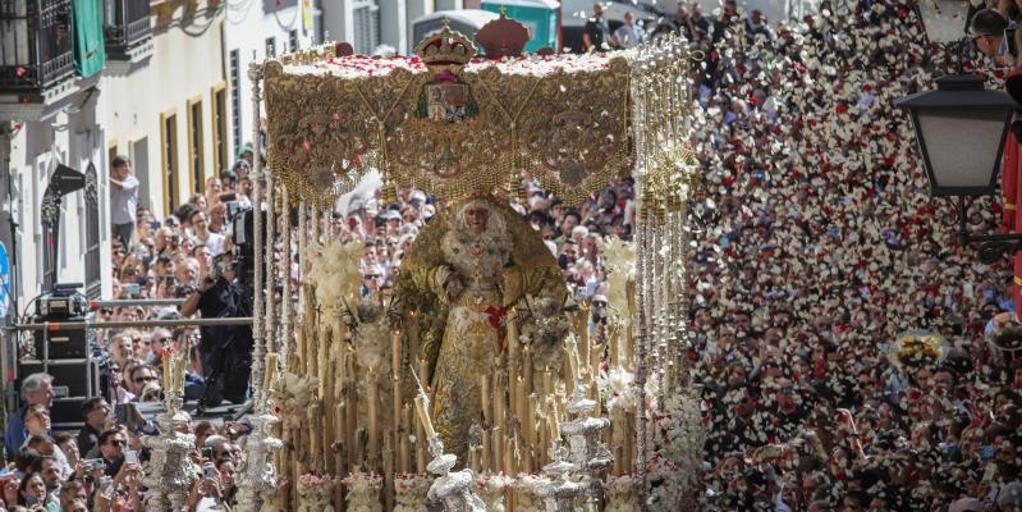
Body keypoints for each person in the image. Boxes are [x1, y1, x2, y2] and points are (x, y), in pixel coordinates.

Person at [179, 253, 252, 409]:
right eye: (228, 266)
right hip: (214, 348)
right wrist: (200, 290)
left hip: (239, 348)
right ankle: (185, 390)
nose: (233, 269)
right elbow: (185, 312)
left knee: (238, 396)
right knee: (213, 396)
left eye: (234, 265)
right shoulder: (211, 288)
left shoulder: (244, 288)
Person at [5, 374, 53, 461]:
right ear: (31, 396)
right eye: (48, 392)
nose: (53, 394)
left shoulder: (44, 419)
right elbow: (22, 458)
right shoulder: (19, 423)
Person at [109, 156, 140, 250]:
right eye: (122, 167)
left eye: (127, 166)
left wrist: (106, 179)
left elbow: (121, 187)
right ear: (115, 169)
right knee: (113, 248)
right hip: (113, 220)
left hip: (126, 221)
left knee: (123, 248)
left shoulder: (133, 181)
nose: (125, 169)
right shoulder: (112, 181)